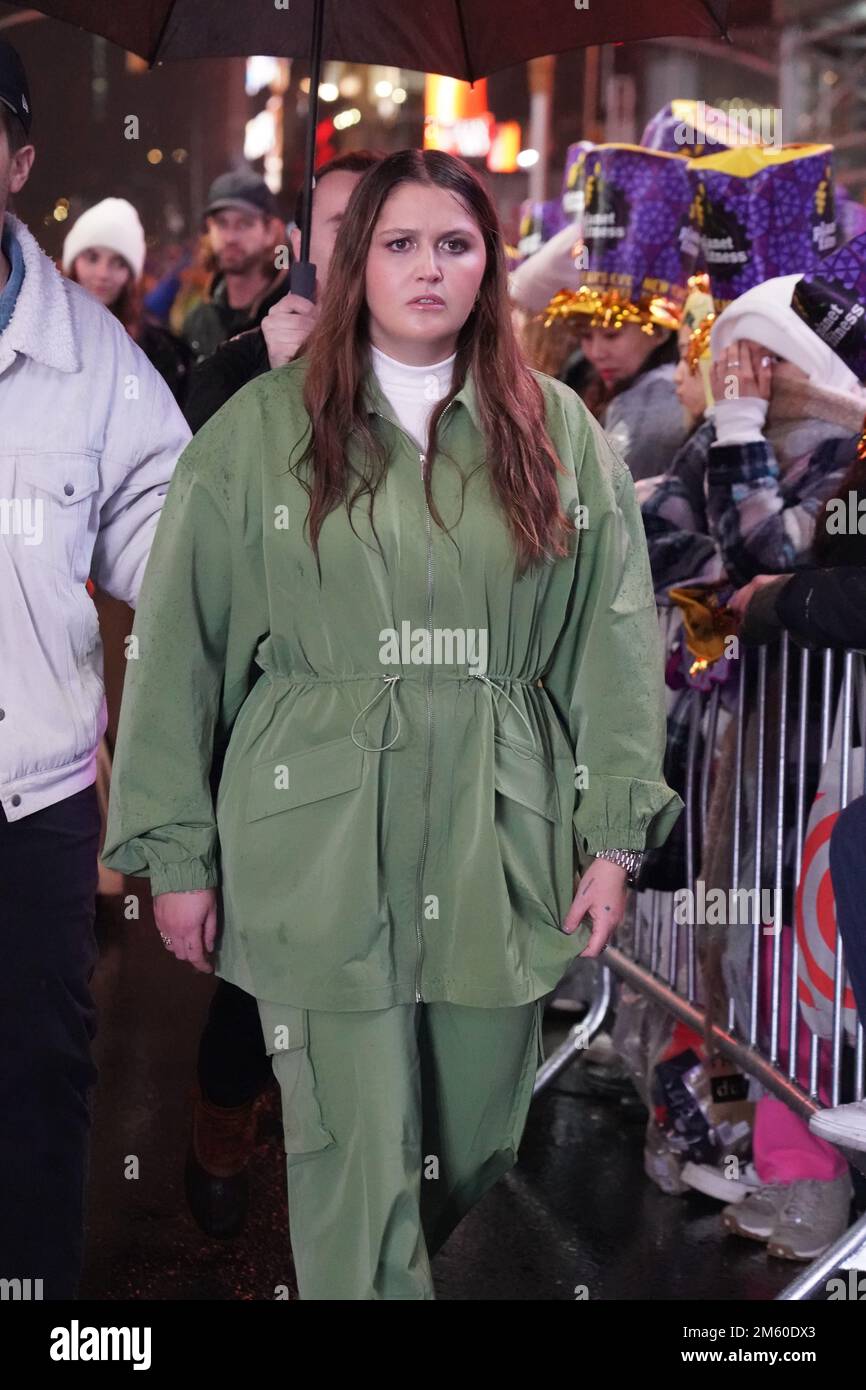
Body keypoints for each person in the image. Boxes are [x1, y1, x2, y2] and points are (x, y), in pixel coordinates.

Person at [102, 148, 681, 1301]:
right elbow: (180, 653)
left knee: (470, 1140)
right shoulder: (263, 432)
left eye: (454, 244)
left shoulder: (555, 433)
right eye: (399, 243)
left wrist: (612, 836)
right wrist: (173, 850)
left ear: (485, 264)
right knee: (352, 1159)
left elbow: (613, 644)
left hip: (496, 832)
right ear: (351, 260)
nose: (427, 268)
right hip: (313, 829)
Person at [0, 41, 190, 1299]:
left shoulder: (94, 356)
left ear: (15, 161)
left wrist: (275, 411)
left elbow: (171, 542)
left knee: (34, 1075)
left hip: (33, 798)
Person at [182, 150, 382, 1243]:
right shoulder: (244, 353)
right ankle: (222, 1114)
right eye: (338, 218)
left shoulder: (428, 361)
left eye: (380, 218)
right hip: (272, 706)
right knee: (260, 957)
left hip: (393, 716)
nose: (358, 239)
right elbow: (192, 499)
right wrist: (269, 370)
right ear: (295, 237)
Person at [184, 151, 381, 433]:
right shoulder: (232, 363)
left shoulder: (448, 356)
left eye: (393, 234)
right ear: (300, 245)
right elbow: (206, 465)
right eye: (345, 228)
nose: (368, 244)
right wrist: (277, 380)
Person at [62, 197, 192, 404]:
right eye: (92, 258)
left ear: (131, 276)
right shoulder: (37, 337)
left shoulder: (158, 352)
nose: (103, 273)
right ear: (73, 262)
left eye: (118, 263)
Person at [180, 167, 289, 363]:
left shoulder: (292, 316)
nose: (230, 237)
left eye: (244, 224)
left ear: (270, 232)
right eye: (221, 223)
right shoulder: (198, 322)